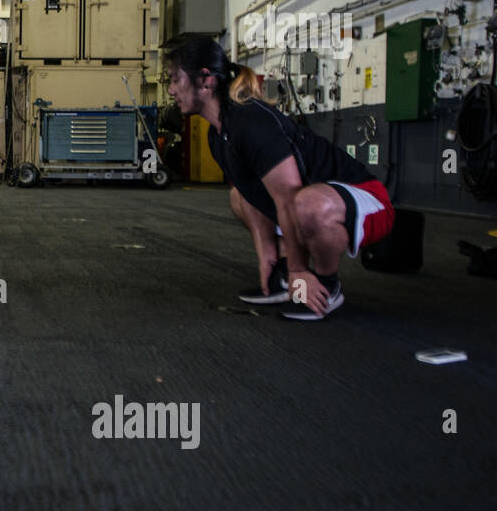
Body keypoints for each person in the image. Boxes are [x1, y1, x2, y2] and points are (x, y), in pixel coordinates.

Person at [165, 38, 394, 320]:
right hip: (306, 202)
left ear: (206, 80)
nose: (171, 90)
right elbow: (250, 194)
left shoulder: (250, 121)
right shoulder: (219, 134)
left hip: (368, 201)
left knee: (305, 204)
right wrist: (267, 259)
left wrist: (301, 270)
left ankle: (325, 283)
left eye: (176, 80)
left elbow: (287, 198)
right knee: (239, 196)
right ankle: (281, 276)